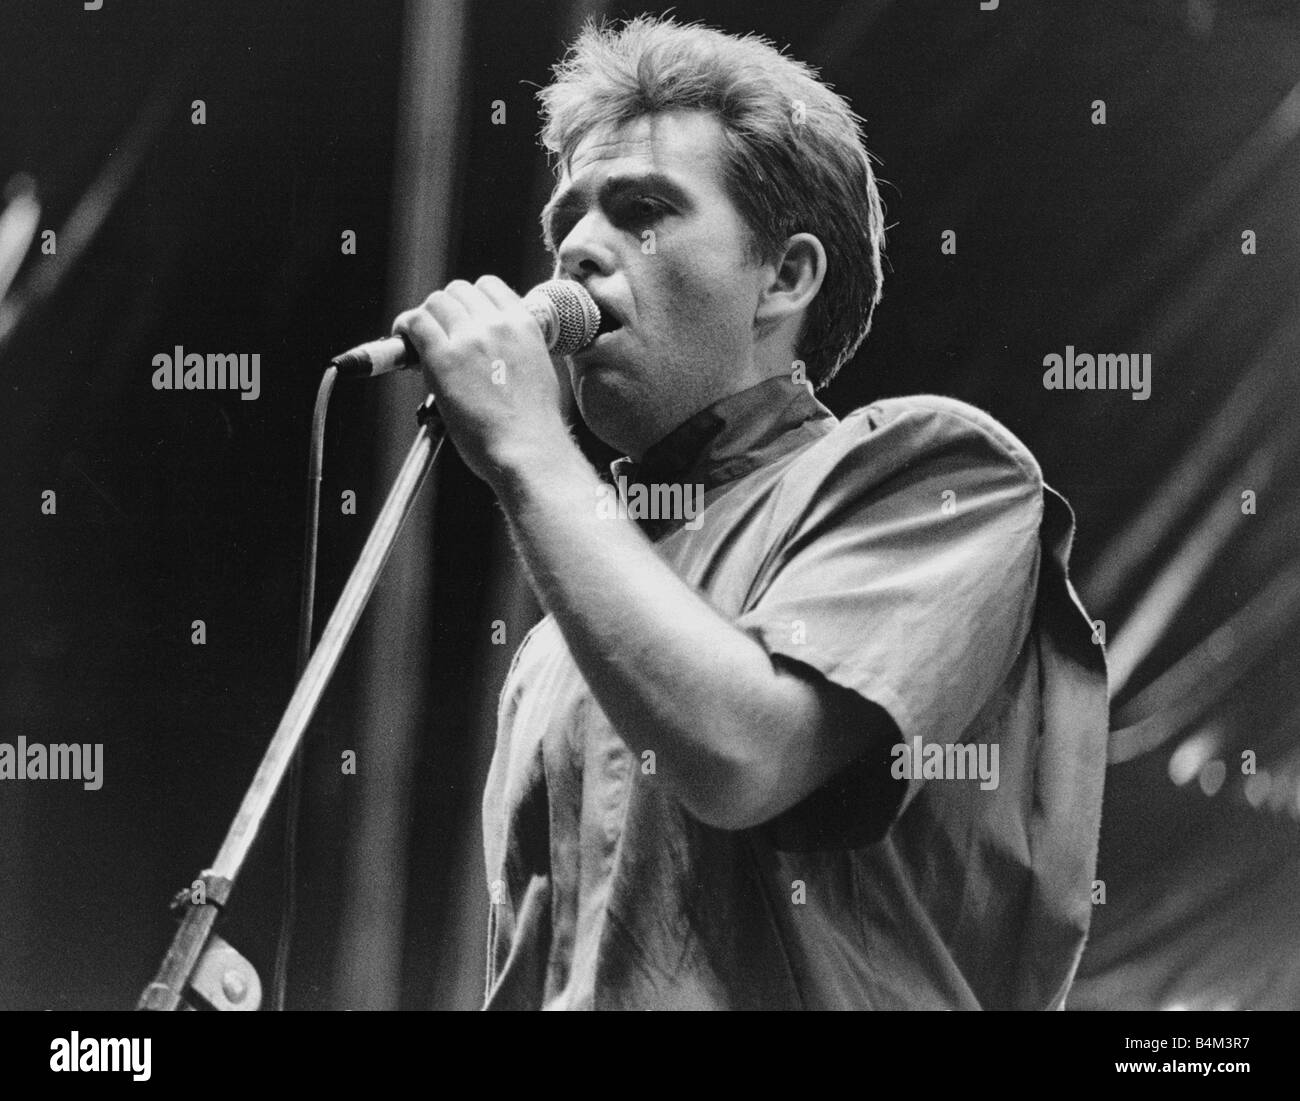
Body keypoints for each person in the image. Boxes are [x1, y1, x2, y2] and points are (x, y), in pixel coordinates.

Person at [392, 14, 1109, 1010]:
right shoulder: (555, 648)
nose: (578, 252)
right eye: (566, 226)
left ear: (785, 276)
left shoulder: (942, 475)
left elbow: (747, 755)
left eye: (642, 210)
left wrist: (525, 448)